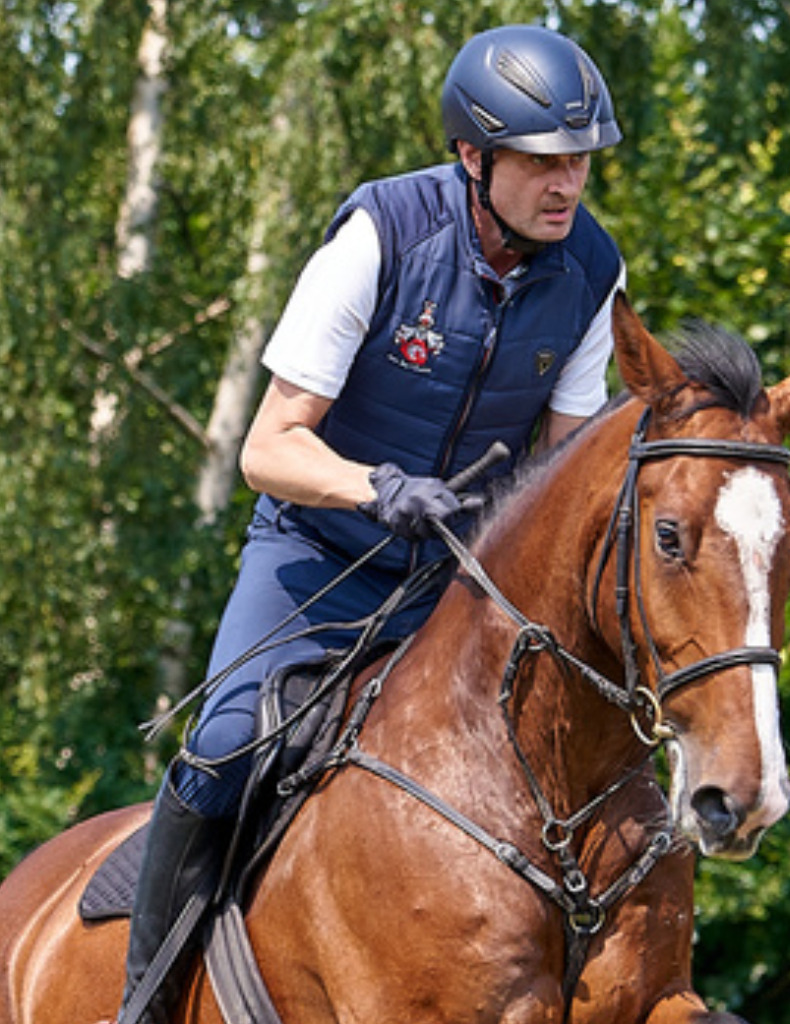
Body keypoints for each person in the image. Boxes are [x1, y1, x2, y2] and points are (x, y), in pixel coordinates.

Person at [110, 23, 625, 1024]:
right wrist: (377, 488)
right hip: (318, 562)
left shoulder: (593, 274)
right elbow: (269, 447)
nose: (570, 184)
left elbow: (564, 467)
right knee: (221, 747)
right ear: (473, 158)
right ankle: (142, 1001)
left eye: (583, 161)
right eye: (546, 162)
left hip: (457, 585)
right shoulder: (381, 237)